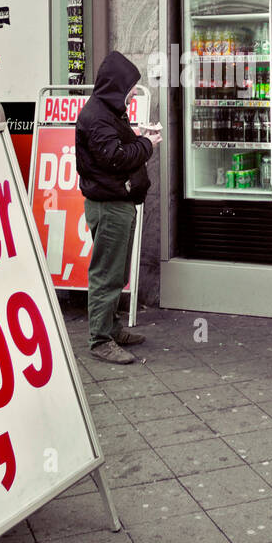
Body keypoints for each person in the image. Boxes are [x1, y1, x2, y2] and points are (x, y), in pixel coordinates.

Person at [76, 51, 162, 365]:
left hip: (119, 202)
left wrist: (141, 138)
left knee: (117, 272)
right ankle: (100, 340)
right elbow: (116, 157)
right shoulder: (97, 115)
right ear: (115, 85)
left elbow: (118, 148)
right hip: (109, 205)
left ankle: (111, 328)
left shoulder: (108, 110)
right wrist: (148, 145)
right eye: (128, 87)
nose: (130, 94)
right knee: (106, 274)